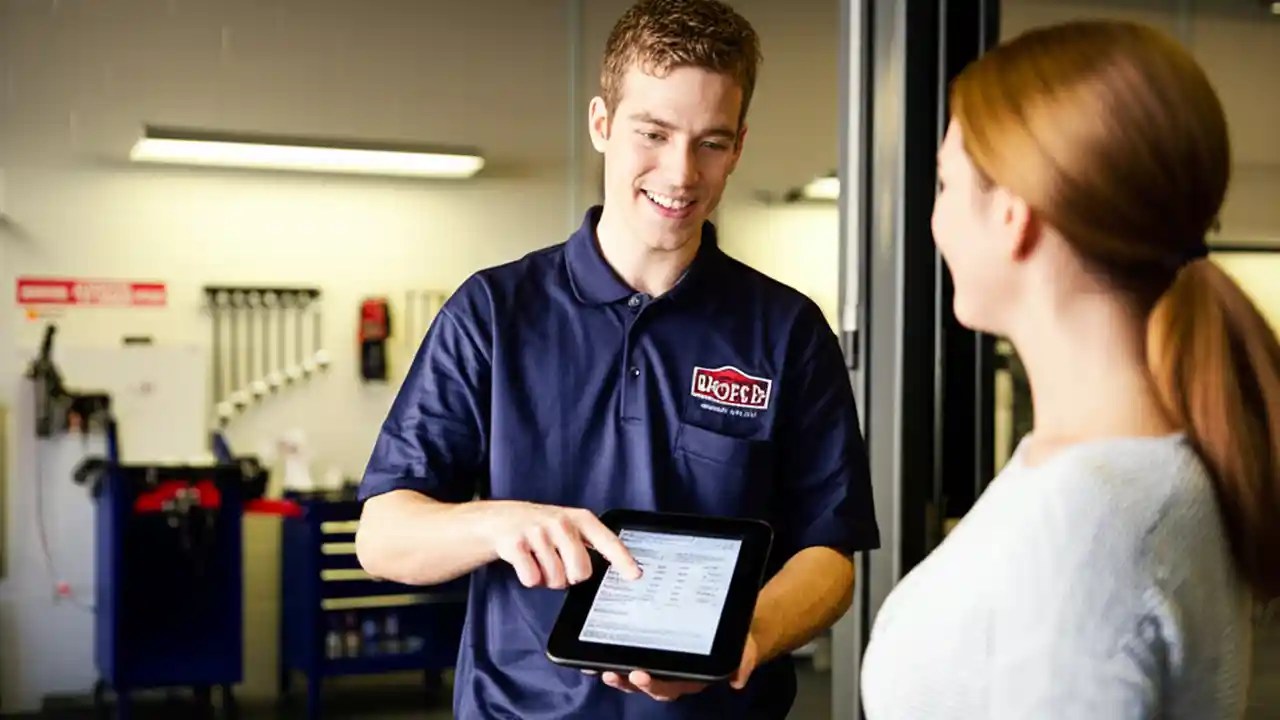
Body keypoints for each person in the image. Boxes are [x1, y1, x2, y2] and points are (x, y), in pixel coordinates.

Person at [354, 1, 881, 717]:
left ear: (739, 146)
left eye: (711, 142)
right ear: (601, 123)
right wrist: (498, 524)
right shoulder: (493, 313)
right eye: (653, 134)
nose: (681, 173)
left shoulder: (787, 331)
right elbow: (383, 536)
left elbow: (828, 556)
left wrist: (747, 636)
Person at [860, 19, 1280, 720]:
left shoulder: (1087, 532)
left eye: (945, 183)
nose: (935, 220)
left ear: (1012, 216)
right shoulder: (1123, 470)